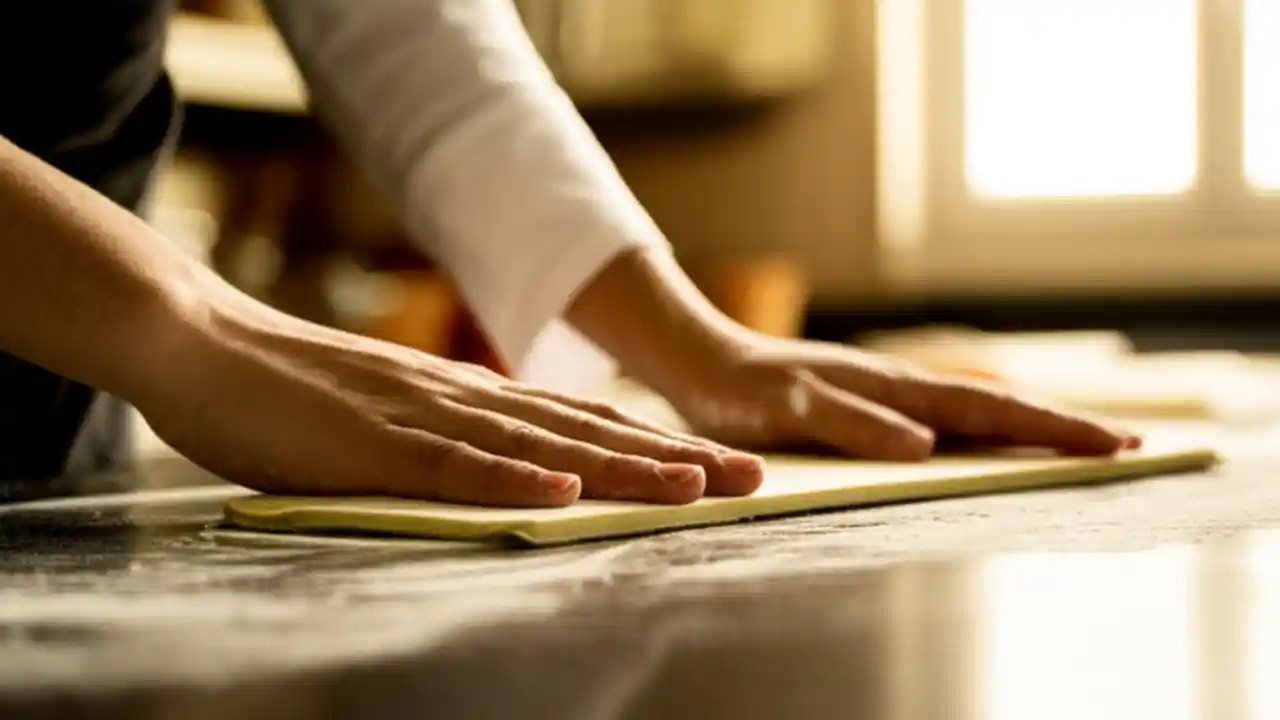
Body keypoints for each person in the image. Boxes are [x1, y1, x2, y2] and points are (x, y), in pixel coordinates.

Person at [0, 0, 1138, 508]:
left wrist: (698, 348)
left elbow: (409, 30)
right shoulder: (176, 327)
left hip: (53, 432)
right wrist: (190, 327)